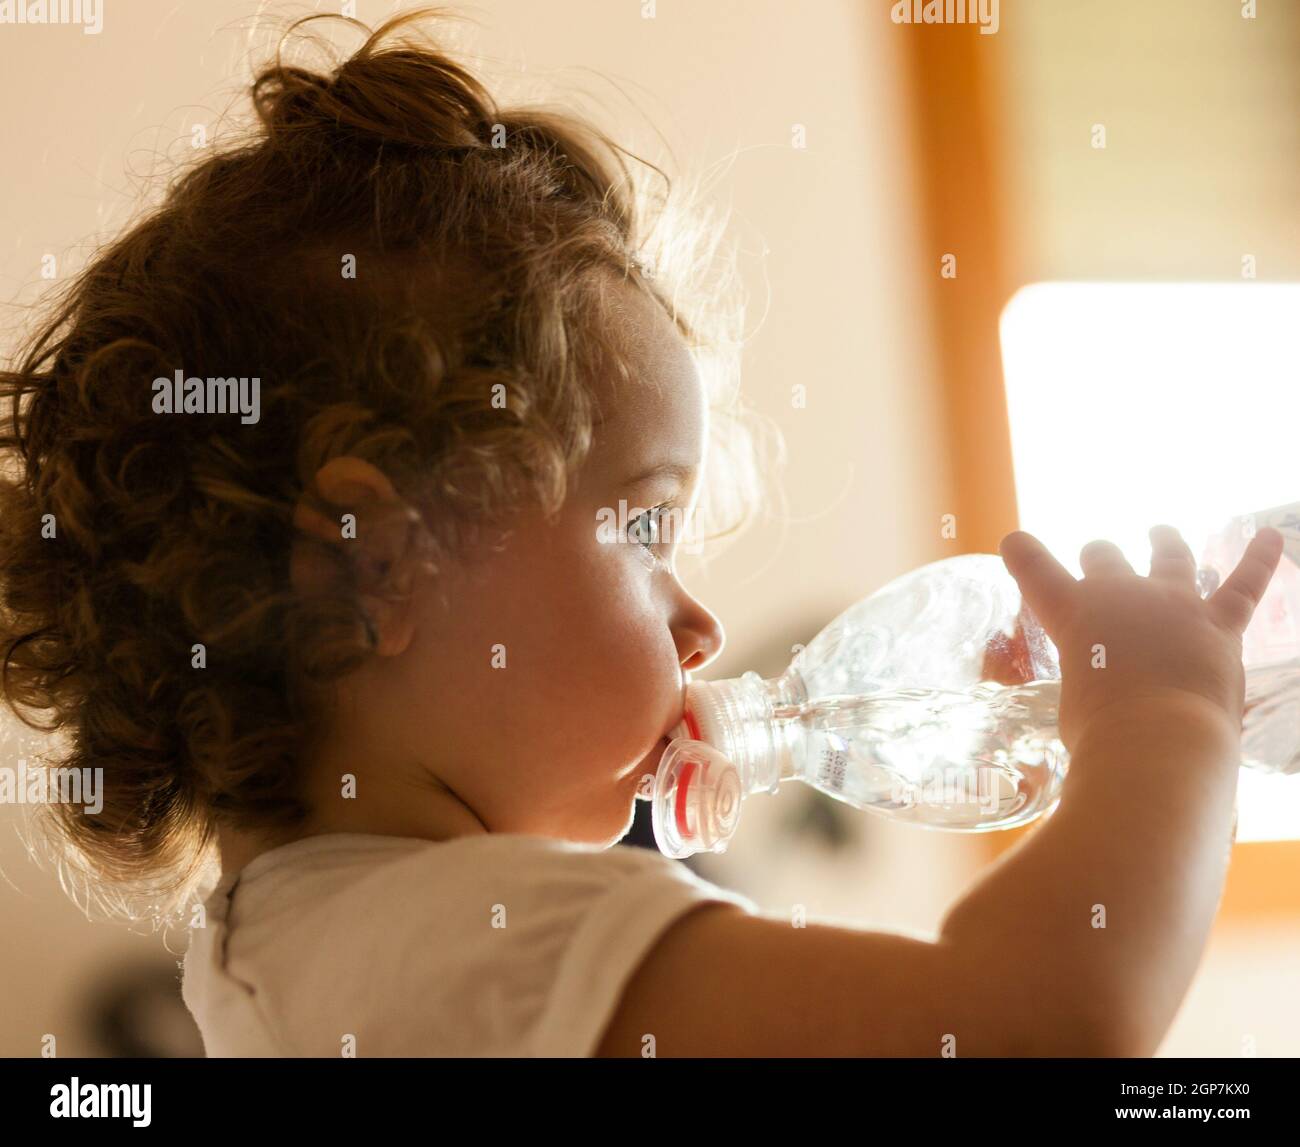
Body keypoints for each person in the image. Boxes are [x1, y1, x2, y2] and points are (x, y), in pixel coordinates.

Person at [0, 7, 1280, 1057]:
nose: (701, 621)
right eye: (643, 524)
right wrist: (1163, 724)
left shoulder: (298, 946)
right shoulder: (472, 944)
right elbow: (1038, 1023)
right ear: (378, 560)